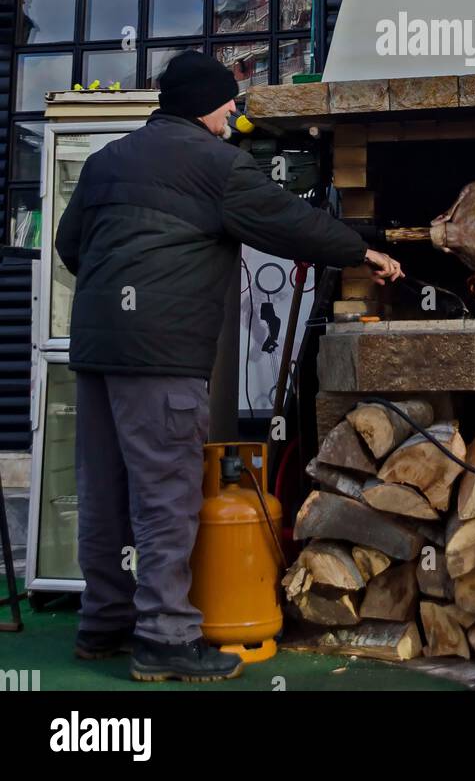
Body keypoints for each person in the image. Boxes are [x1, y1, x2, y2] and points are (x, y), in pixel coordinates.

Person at [55, 50, 402, 683]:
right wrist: (362, 250)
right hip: (162, 354)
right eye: (227, 104)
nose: (232, 114)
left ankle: (103, 622)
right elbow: (291, 223)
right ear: (202, 105)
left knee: (104, 491)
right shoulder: (217, 166)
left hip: (98, 348)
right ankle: (164, 637)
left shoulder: (106, 161)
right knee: (166, 495)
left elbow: (69, 246)